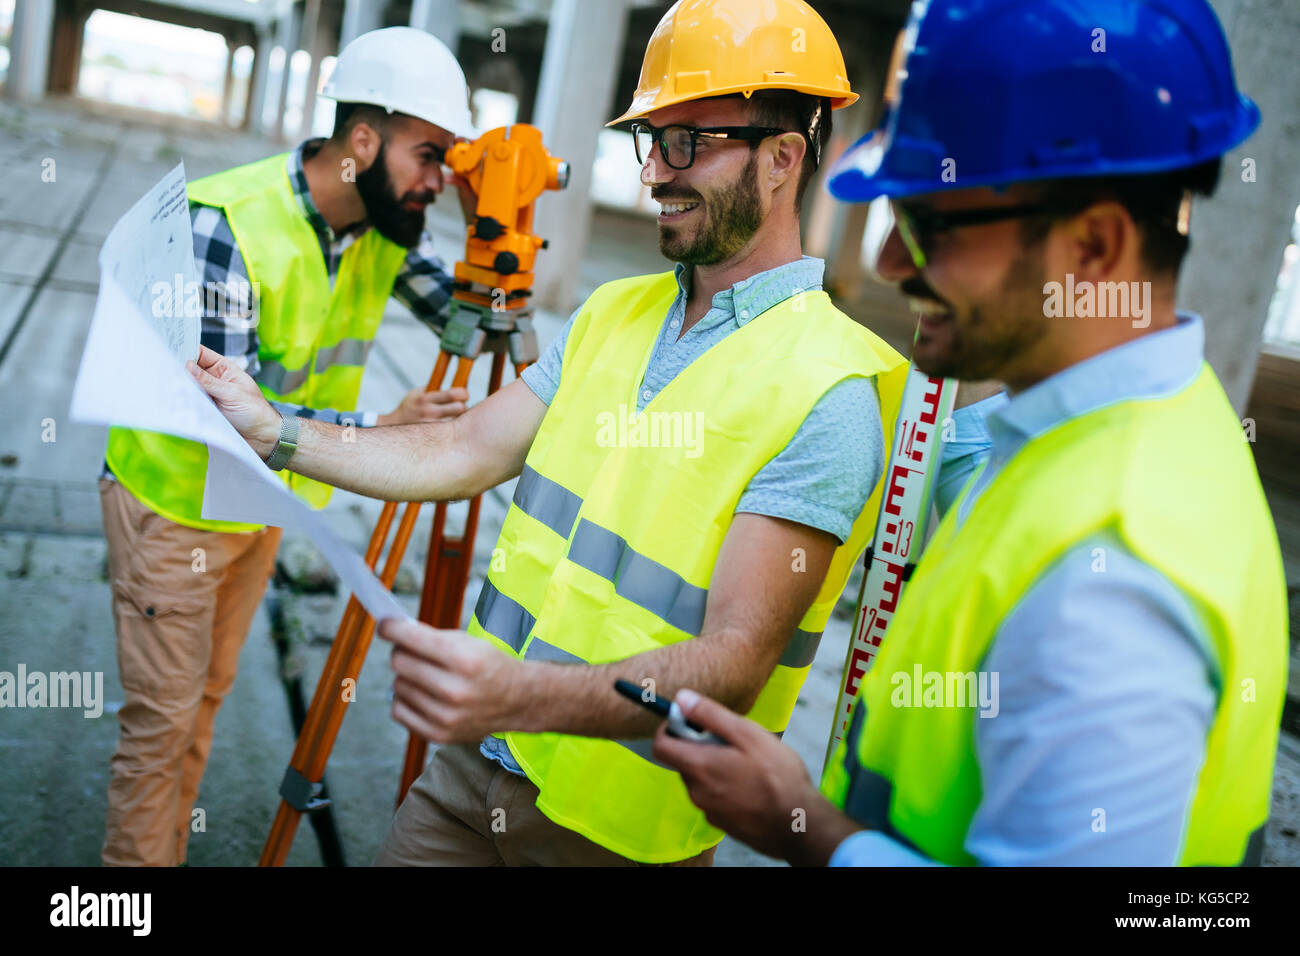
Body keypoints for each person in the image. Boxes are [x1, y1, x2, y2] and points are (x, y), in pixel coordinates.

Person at [191, 0, 912, 866]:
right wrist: (275, 431)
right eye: (651, 141)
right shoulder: (613, 313)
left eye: (686, 143)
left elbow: (734, 661)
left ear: (782, 158)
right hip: (470, 775)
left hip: (609, 831)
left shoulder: (830, 387)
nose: (653, 174)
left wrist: (516, 692)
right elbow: (459, 450)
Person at [649, 0, 1288, 867]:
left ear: (1094, 248)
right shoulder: (1141, 422)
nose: (886, 266)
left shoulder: (1108, 582)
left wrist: (801, 825)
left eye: (931, 226)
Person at [99, 27, 476, 866]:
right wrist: (386, 429)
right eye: (428, 155)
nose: (436, 180)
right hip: (176, 505)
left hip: (259, 508)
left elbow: (469, 312)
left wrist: (496, 221)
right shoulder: (229, 223)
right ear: (364, 142)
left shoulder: (385, 223)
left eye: (448, 159)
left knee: (203, 708)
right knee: (161, 731)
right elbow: (229, 407)